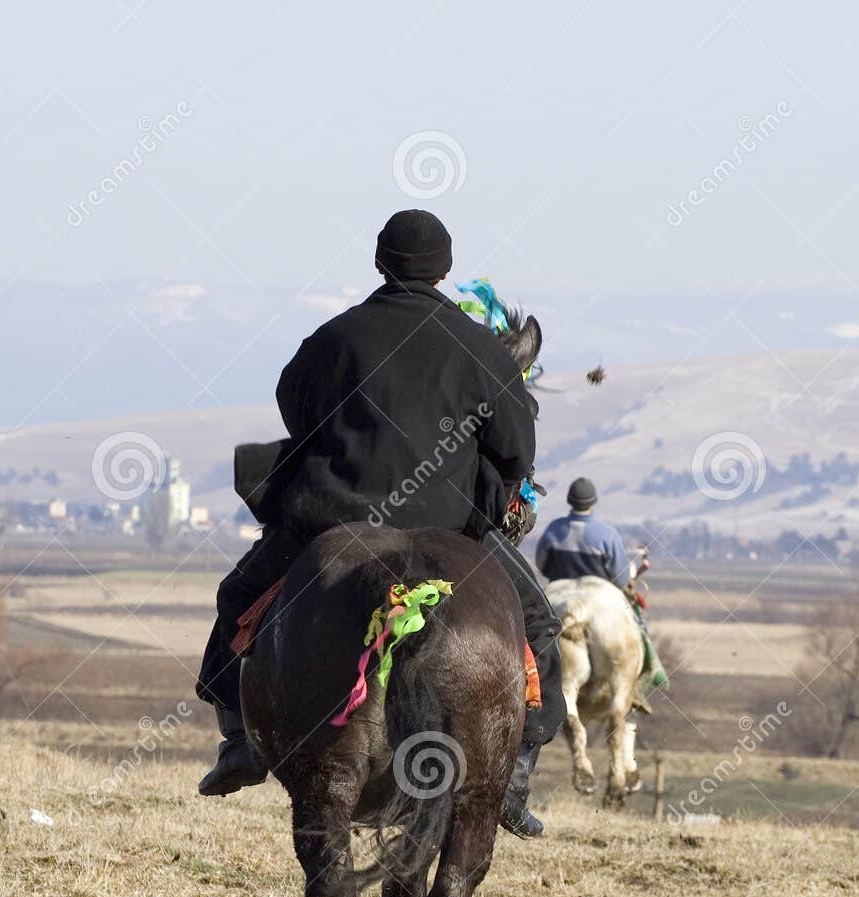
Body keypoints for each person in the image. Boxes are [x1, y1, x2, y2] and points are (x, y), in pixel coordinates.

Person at [194, 209, 564, 838]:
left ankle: (239, 740)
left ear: (379, 263)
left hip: (331, 518)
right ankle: (518, 771)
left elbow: (295, 408)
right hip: (453, 529)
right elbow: (515, 451)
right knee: (539, 628)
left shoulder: (333, 338)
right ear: (446, 272)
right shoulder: (479, 350)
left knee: (238, 599)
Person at [535, 477, 668, 697]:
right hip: (602, 591)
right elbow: (622, 578)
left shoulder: (554, 529)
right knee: (635, 617)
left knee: (529, 623)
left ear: (570, 501)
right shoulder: (606, 534)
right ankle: (652, 668)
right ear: (592, 502)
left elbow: (542, 563)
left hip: (558, 590)